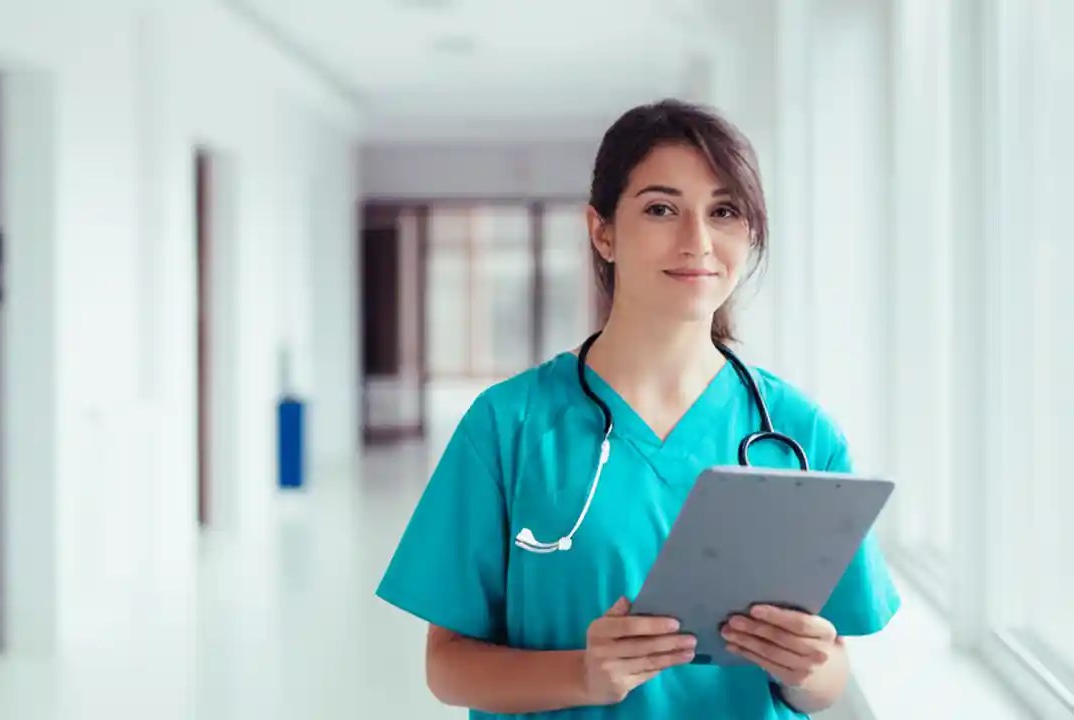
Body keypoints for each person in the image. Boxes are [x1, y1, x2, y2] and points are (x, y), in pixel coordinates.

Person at [374, 99, 900, 719]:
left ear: (749, 232)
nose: (697, 240)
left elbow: (830, 675)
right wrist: (582, 675)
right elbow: (448, 667)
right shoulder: (507, 424)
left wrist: (807, 670)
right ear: (603, 231)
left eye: (724, 211)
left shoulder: (800, 433)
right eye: (660, 209)